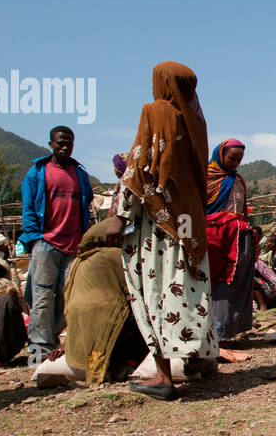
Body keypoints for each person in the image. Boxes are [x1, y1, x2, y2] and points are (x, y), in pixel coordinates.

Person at [103, 61, 217, 400]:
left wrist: (120, 216)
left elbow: (141, 164)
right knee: (189, 289)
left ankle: (163, 376)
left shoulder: (155, 111)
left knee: (155, 290)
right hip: (190, 222)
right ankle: (202, 363)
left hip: (160, 222)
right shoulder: (196, 121)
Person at [20, 126, 94, 364]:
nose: (65, 147)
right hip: (45, 243)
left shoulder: (79, 174)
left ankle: (55, 336)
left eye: (69, 143)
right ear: (50, 144)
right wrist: (34, 239)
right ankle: (40, 347)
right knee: (42, 295)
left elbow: (86, 206)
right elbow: (29, 208)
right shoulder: (38, 172)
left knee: (68, 297)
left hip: (73, 244)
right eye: (60, 143)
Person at [62, 218, 148, 384]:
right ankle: (121, 364)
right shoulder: (116, 256)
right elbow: (137, 291)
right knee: (143, 314)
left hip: (78, 323)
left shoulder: (80, 260)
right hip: (106, 321)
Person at [204, 138, 256, 341]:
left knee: (237, 281)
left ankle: (233, 329)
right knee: (219, 281)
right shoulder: (206, 177)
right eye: (232, 158)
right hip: (215, 238)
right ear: (220, 155)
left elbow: (242, 210)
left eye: (239, 159)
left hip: (238, 236)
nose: (235, 163)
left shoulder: (238, 180)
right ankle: (216, 332)